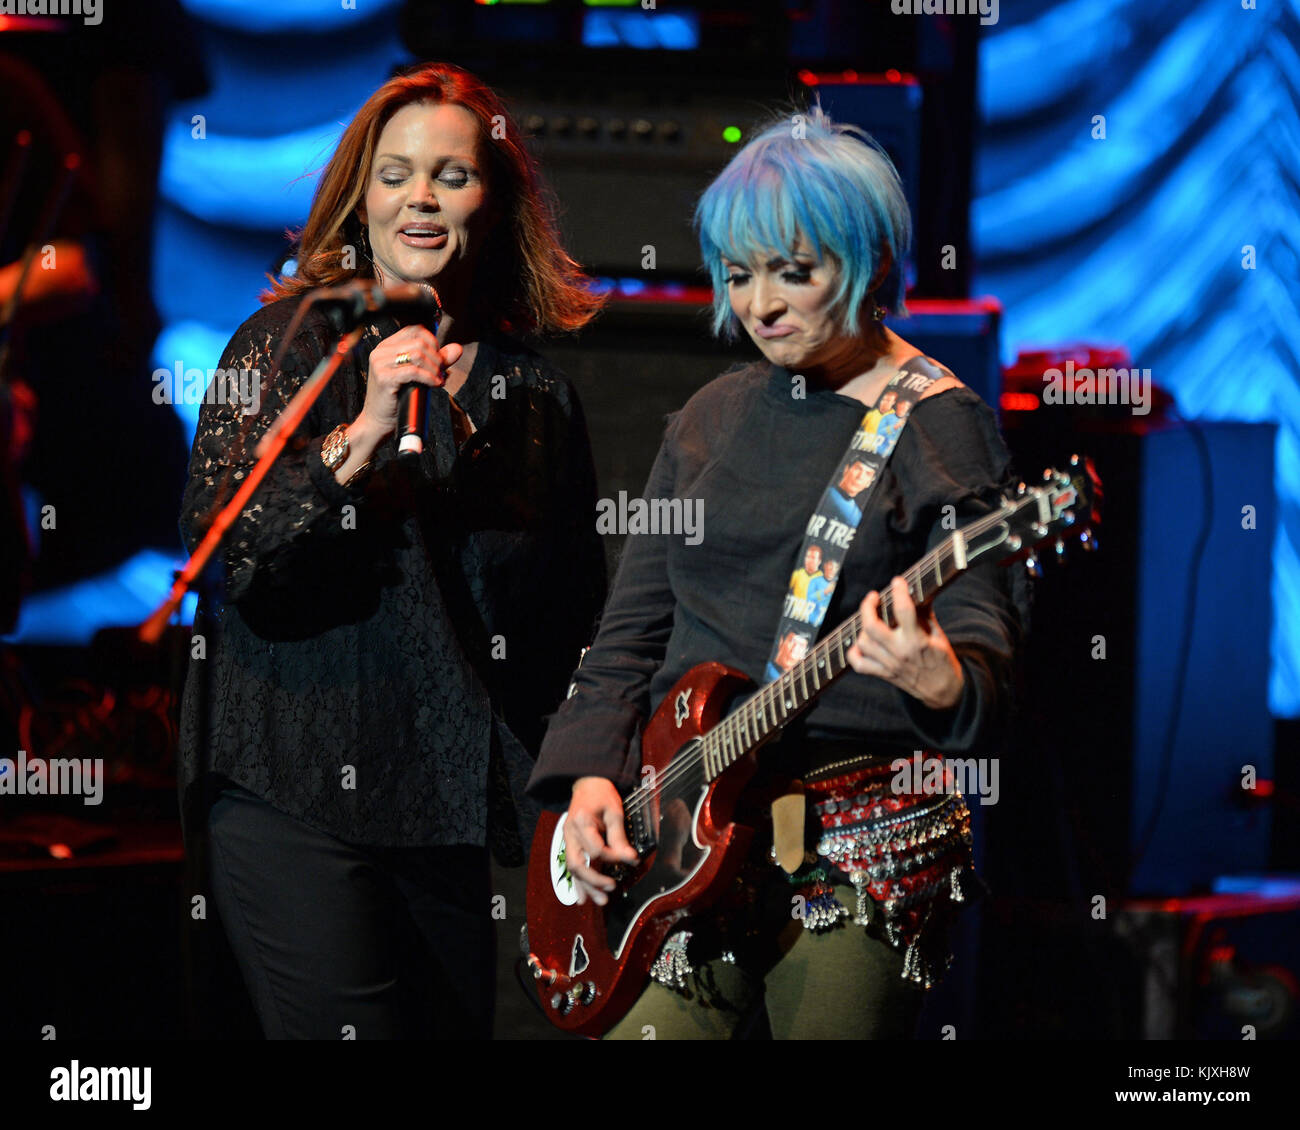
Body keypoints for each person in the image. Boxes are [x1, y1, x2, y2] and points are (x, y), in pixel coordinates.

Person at [526, 106, 1029, 1040]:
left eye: (795, 272)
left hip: (856, 846)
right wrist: (589, 778)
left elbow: (985, 650)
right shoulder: (710, 416)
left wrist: (943, 678)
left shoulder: (937, 420)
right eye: (740, 274)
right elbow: (629, 632)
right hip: (682, 835)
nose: (761, 303)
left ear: (871, 263)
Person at [177, 62, 606, 1039]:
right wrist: (357, 437)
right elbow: (223, 551)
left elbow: (570, 623)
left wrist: (583, 786)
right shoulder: (278, 349)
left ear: (493, 206)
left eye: (451, 176)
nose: (420, 196)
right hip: (288, 786)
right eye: (396, 172)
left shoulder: (535, 401)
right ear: (359, 198)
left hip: (440, 803)